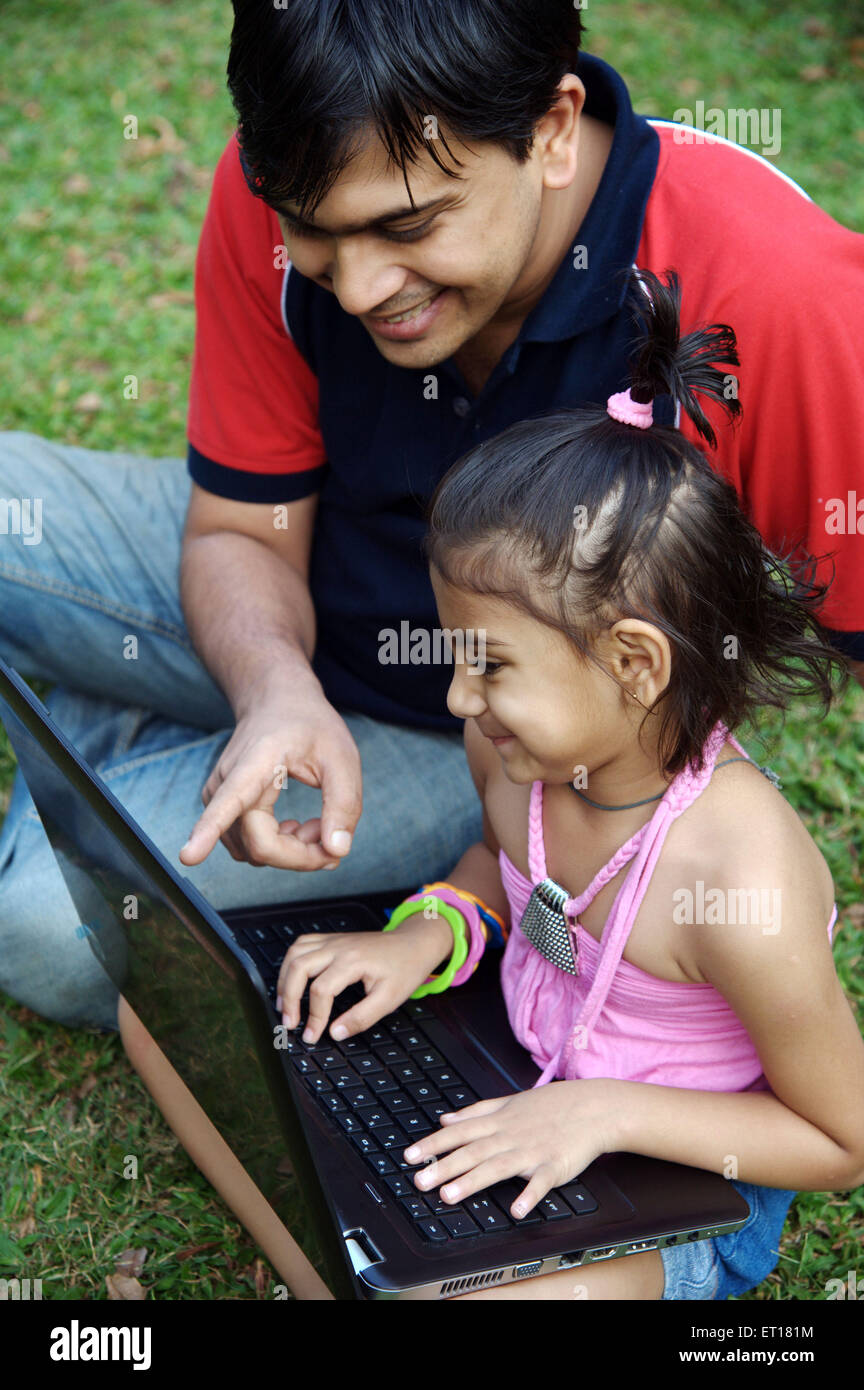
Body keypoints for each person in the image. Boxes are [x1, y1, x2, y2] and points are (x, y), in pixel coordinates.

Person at [1, 0, 863, 1030]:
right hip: (294, 591)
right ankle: (154, 734)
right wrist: (275, 691)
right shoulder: (299, 166)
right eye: (314, 231)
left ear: (550, 129)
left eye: (408, 226)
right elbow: (239, 528)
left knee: (49, 927)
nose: (360, 285)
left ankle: (100, 736)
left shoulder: (777, 291)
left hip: (488, 742)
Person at [273, 269, 864, 1301]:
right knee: (221, 1058)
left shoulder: (736, 876)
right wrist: (431, 931)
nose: (460, 699)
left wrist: (604, 1112)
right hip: (522, 1084)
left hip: (681, 1191)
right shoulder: (517, 756)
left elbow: (839, 1139)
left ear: (635, 663)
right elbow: (514, 877)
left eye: (490, 664)